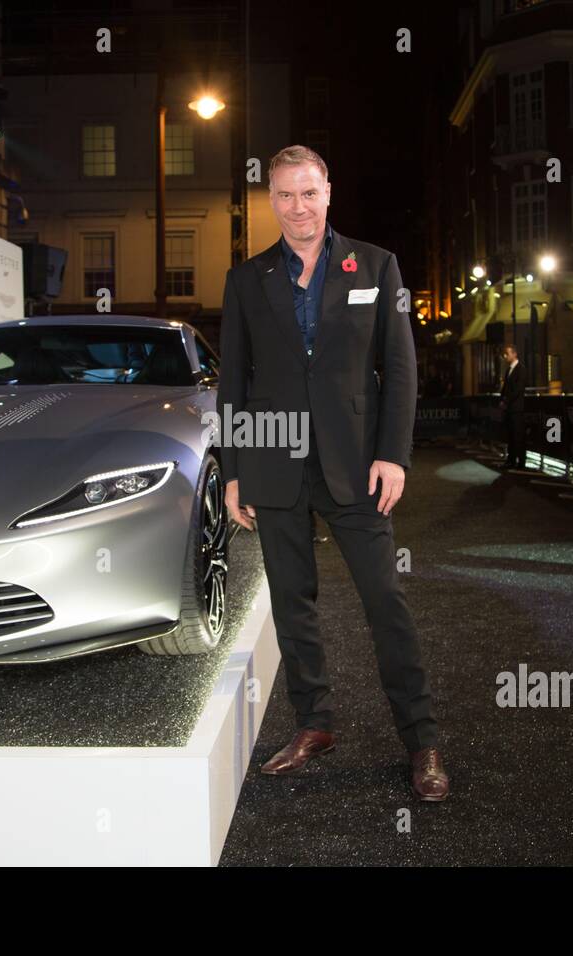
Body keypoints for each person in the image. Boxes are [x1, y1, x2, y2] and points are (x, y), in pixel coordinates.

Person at [217, 145, 448, 801]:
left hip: (356, 464)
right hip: (273, 461)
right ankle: (314, 723)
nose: (298, 207)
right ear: (272, 201)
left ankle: (422, 739)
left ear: (328, 192)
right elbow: (235, 381)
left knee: (386, 602)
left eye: (308, 193)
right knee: (293, 604)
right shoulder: (247, 278)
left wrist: (394, 453)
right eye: (285, 195)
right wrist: (235, 470)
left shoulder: (375, 266)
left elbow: (398, 368)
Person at [499, 343, 526, 468]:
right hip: (510, 408)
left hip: (517, 408)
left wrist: (506, 401)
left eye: (507, 353)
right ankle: (511, 460)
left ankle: (521, 462)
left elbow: (518, 389)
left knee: (518, 435)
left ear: (514, 354)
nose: (505, 356)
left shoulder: (521, 368)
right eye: (504, 354)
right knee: (510, 435)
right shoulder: (509, 369)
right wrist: (502, 400)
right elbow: (505, 388)